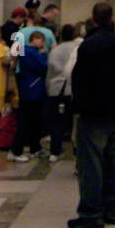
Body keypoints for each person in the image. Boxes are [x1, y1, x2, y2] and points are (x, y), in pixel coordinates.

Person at [68, 2, 115, 228]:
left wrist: (79, 107)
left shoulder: (89, 45)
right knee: (112, 161)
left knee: (91, 164)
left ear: (93, 19)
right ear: (111, 18)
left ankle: (91, 213)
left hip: (92, 112)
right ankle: (112, 209)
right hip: (113, 111)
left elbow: (79, 79)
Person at [9, 29, 48, 162]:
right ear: (35, 39)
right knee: (27, 122)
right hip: (32, 91)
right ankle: (17, 150)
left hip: (30, 90)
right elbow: (43, 67)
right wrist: (43, 54)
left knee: (32, 121)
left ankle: (33, 147)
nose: (43, 44)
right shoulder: (31, 52)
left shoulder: (25, 51)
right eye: (42, 41)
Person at [45, 24, 80, 161]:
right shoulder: (77, 49)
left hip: (56, 89)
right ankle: (77, 151)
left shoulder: (55, 51)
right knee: (75, 123)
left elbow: (50, 72)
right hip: (72, 89)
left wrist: (48, 88)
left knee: (56, 123)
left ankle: (55, 151)